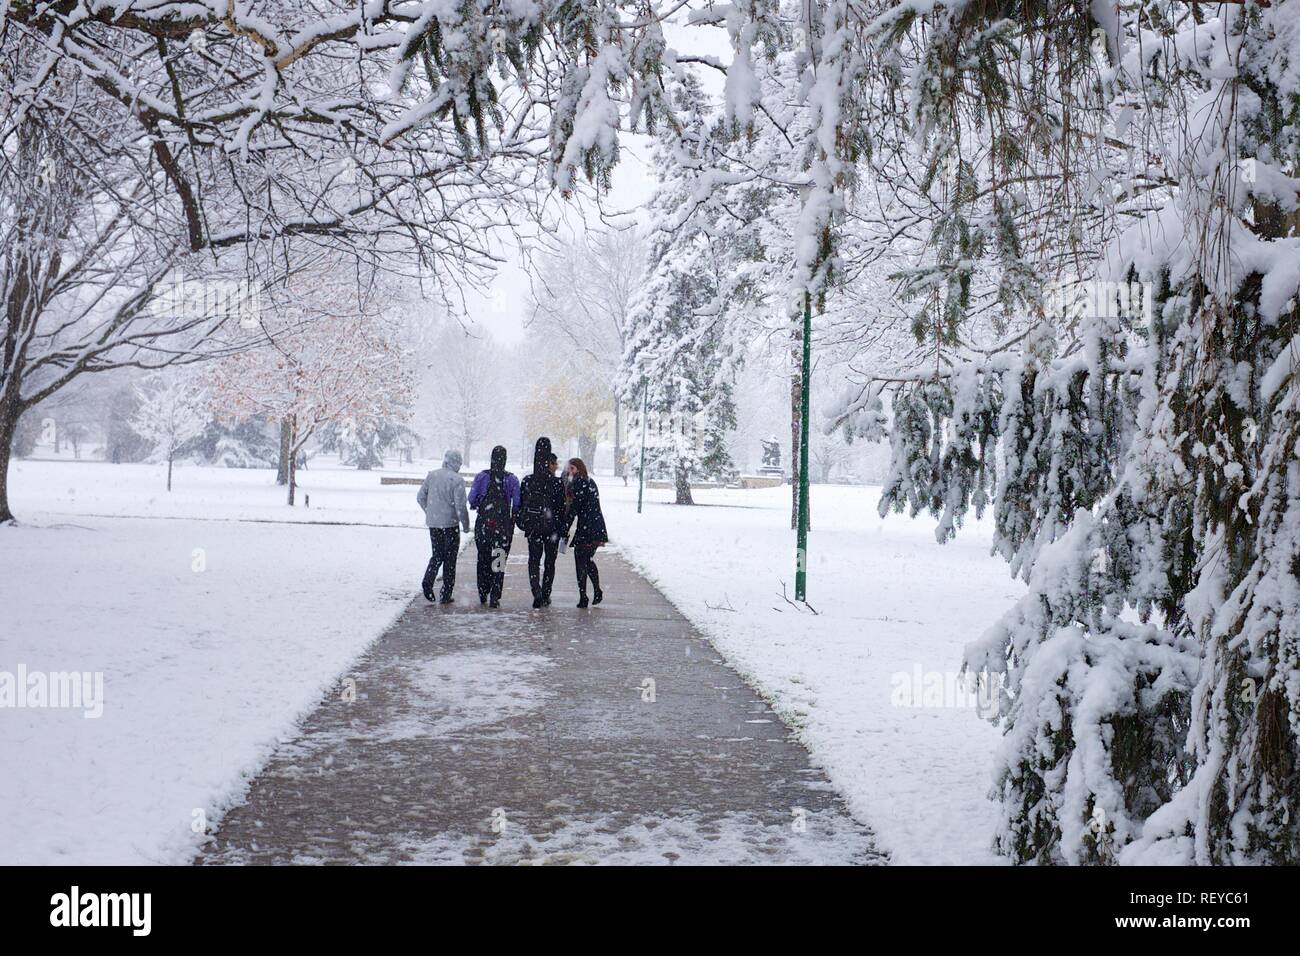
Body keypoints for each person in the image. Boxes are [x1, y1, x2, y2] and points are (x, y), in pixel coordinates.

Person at [517, 437, 567, 609]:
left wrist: (523, 522)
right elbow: (561, 508)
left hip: (534, 527)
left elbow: (521, 504)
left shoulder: (528, 480)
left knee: (533, 560)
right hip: (551, 528)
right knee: (549, 563)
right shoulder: (557, 483)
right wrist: (562, 528)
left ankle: (536, 591)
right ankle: (546, 593)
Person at [468, 445, 520, 608]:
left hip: (484, 522)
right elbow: (517, 503)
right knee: (499, 557)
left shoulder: (482, 477)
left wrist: (479, 505)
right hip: (503, 525)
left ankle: (483, 591)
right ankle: (495, 595)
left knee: (483, 557)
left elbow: (472, 498)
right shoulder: (511, 479)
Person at [416, 450, 470, 604]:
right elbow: (460, 507)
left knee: (437, 555)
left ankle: (428, 581)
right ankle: (446, 594)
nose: (459, 466)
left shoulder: (432, 475)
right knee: (450, 559)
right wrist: (465, 525)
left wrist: (430, 512)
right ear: (455, 463)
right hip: (450, 525)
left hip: (434, 524)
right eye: (459, 463)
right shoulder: (457, 480)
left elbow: (420, 497)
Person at [563, 457, 608, 608]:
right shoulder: (590, 482)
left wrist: (565, 527)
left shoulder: (579, 483)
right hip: (595, 526)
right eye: (569, 469)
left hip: (587, 528)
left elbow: (574, 508)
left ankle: (584, 596)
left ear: (579, 469)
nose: (570, 472)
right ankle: (595, 591)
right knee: (586, 560)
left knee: (580, 561)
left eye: (572, 469)